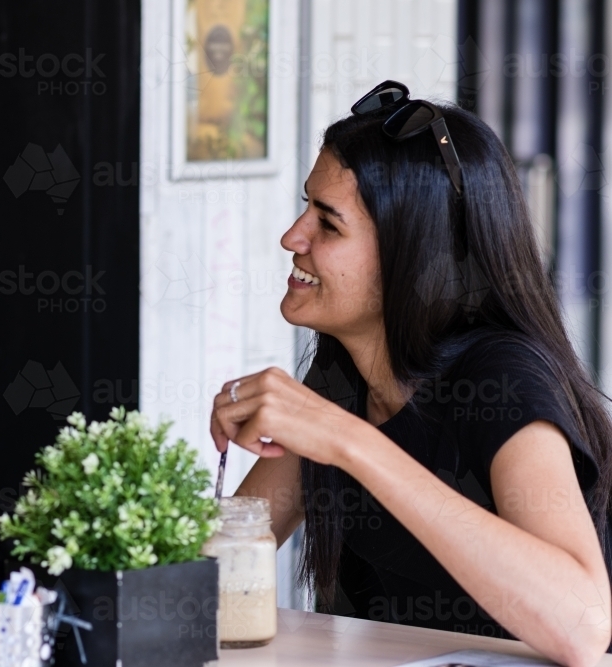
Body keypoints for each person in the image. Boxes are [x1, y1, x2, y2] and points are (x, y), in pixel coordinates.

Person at [210, 81, 612, 667]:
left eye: (328, 222)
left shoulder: (502, 379)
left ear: (413, 253)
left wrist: (349, 442)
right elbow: (219, 566)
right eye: (306, 208)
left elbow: (582, 626)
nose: (293, 238)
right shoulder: (343, 376)